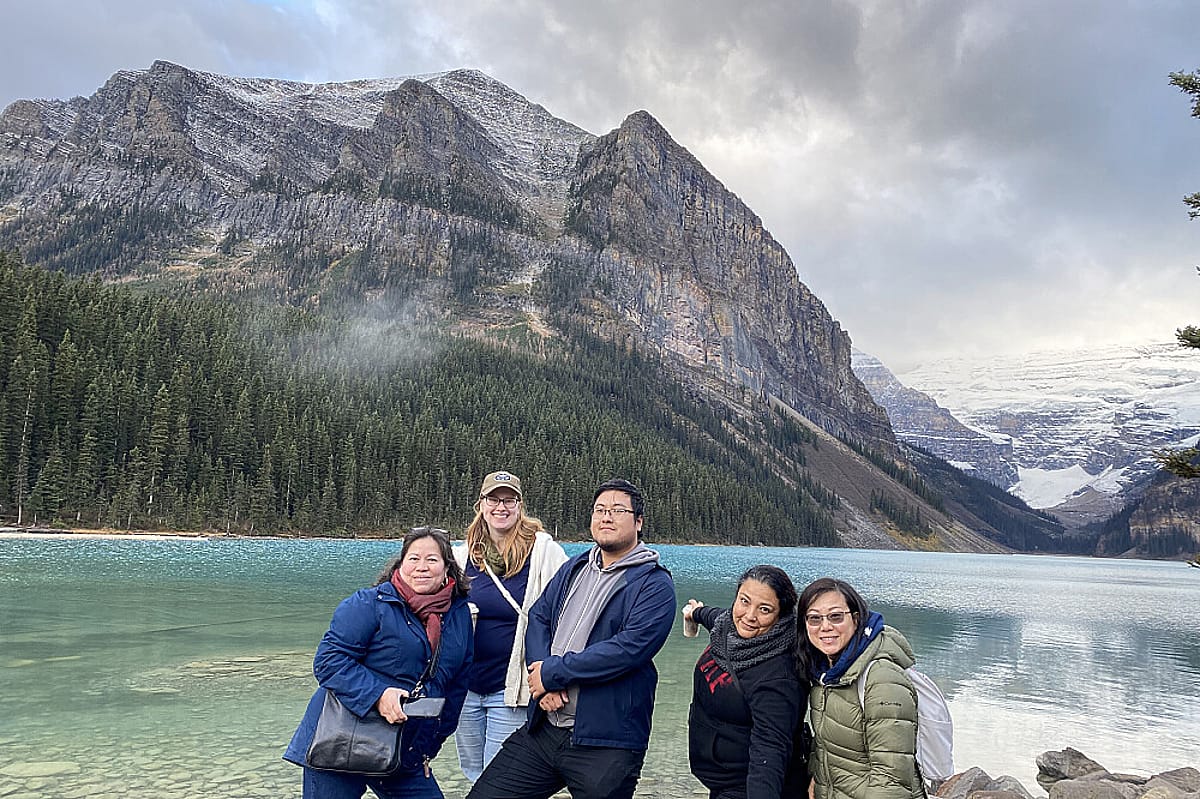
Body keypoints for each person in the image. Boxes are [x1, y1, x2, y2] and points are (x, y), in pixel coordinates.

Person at [465, 477, 676, 799]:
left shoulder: (654, 583)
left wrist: (553, 674)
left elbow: (630, 649)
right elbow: (538, 617)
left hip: (606, 741)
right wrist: (540, 670)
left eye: (618, 510)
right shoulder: (575, 568)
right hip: (545, 728)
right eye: (600, 509)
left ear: (639, 521)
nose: (606, 517)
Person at [284, 527, 473, 799]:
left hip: (404, 753)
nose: (422, 567)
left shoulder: (459, 614)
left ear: (447, 569)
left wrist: (428, 747)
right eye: (413, 558)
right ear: (401, 563)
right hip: (339, 742)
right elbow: (328, 661)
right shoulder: (368, 603)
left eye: (432, 560)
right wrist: (378, 695)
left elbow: (456, 686)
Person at [452, 470, 569, 782]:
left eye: (509, 500)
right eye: (493, 499)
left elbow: (564, 613)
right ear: (481, 504)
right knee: (473, 773)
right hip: (465, 685)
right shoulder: (461, 555)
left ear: (520, 505)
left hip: (512, 686)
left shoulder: (544, 551)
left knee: (500, 777)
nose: (500, 507)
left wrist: (553, 674)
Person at [683, 564, 809, 799]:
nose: (749, 616)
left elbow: (769, 751)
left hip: (747, 786)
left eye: (764, 609)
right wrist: (695, 613)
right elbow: (715, 617)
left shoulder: (779, 677)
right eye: (744, 601)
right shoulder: (727, 626)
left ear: (781, 615)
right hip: (721, 778)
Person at [796, 577, 925, 799]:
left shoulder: (882, 679)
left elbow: (891, 779)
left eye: (836, 616)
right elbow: (827, 743)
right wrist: (816, 780)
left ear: (856, 619)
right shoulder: (827, 673)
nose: (825, 626)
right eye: (814, 619)